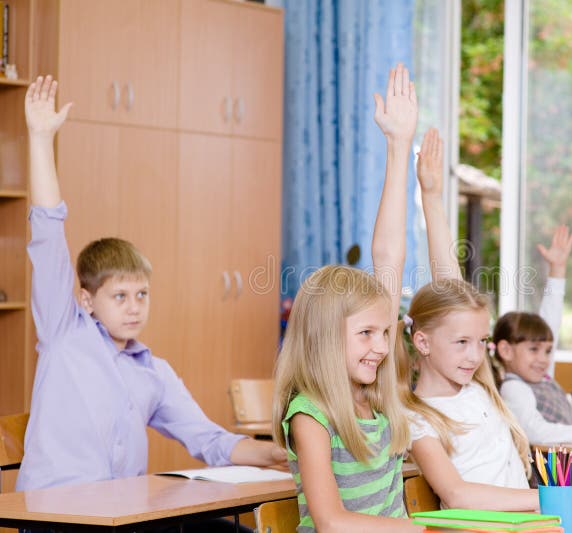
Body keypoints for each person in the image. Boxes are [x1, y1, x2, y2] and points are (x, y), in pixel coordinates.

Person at [20, 75, 286, 520]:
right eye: (119, 295)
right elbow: (47, 230)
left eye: (142, 293)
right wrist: (41, 138)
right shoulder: (64, 332)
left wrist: (274, 456)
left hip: (121, 517)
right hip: (55, 518)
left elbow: (209, 439)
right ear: (86, 301)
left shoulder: (153, 372)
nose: (134, 305)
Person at [396, 128, 572, 510]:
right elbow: (457, 495)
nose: (474, 355)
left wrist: (432, 195)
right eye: (461, 343)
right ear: (423, 342)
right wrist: (549, 497)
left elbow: (451, 292)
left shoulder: (477, 383)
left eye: (480, 342)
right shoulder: (417, 416)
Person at [272, 63, 423, 533]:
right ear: (322, 338)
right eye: (366, 334)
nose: (382, 345)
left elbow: (388, 257)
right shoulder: (310, 414)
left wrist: (400, 149)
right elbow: (333, 522)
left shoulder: (377, 396)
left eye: (384, 331)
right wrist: (424, 530)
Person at [495, 229, 572, 443]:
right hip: (547, 476)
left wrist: (557, 270)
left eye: (547, 351)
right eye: (533, 350)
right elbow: (537, 433)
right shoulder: (514, 388)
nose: (543, 359)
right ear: (506, 350)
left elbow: (551, 320)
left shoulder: (541, 379)